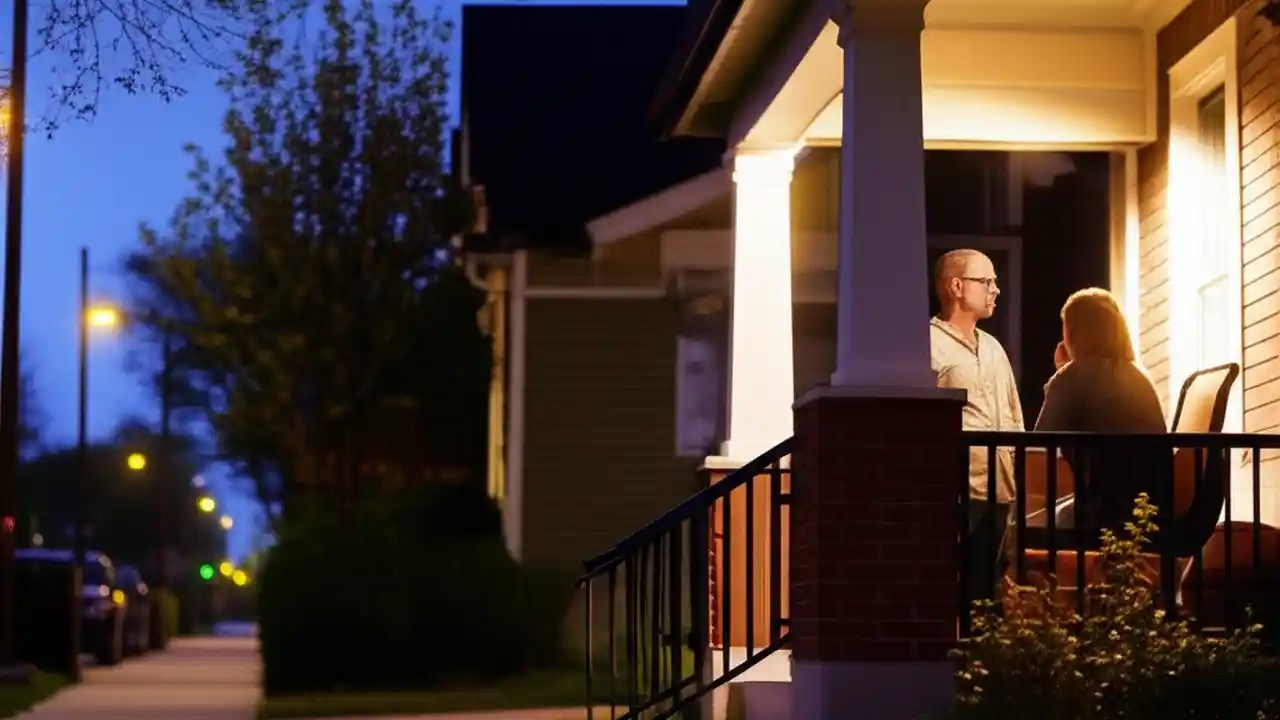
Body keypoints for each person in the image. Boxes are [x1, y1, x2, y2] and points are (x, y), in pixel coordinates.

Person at [930, 249, 1023, 601]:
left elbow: (1013, 412)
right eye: (986, 281)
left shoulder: (994, 348)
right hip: (961, 488)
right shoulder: (929, 345)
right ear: (956, 286)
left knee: (989, 587)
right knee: (957, 585)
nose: (995, 289)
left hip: (1001, 489)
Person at [1032, 287, 1166, 532]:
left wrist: (1060, 377)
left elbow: (1038, 446)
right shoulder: (1139, 376)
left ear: (1073, 334)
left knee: (1022, 528)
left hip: (1102, 512)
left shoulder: (1074, 376)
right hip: (1151, 510)